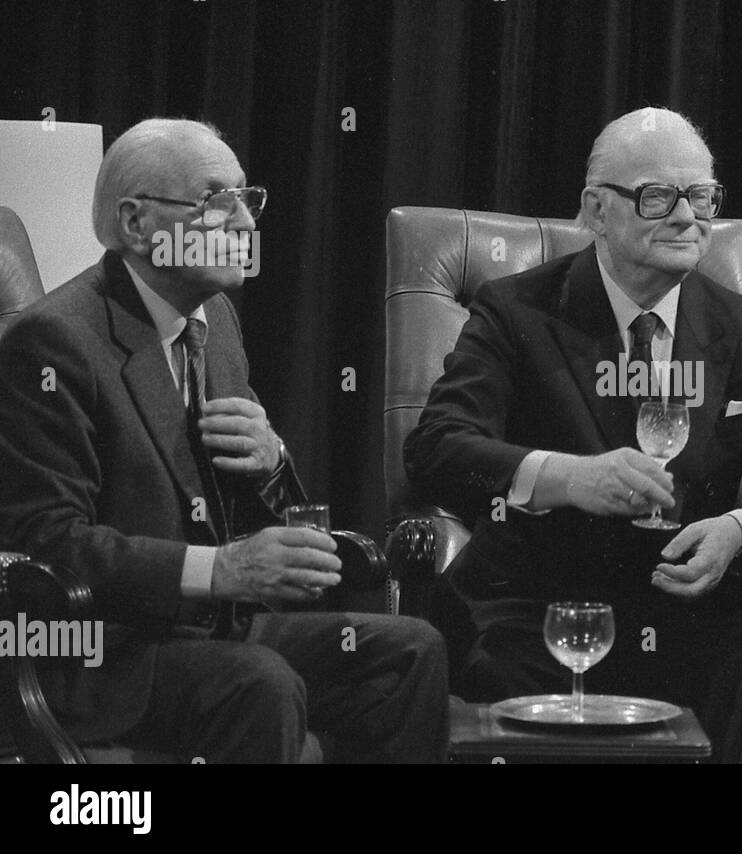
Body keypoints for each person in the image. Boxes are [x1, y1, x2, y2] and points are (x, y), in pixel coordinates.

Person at [404, 107, 742, 762]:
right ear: (595, 209)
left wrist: (740, 531)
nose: (686, 215)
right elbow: (436, 447)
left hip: (690, 610)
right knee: (509, 694)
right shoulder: (514, 310)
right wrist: (566, 477)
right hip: (537, 604)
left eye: (701, 196)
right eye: (657, 196)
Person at [0, 118, 447, 763]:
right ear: (136, 224)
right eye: (216, 201)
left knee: (410, 652)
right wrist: (225, 569)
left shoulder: (216, 324)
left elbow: (235, 502)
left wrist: (271, 461)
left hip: (212, 630)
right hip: (101, 652)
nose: (245, 223)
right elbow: (49, 543)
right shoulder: (54, 343)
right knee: (259, 683)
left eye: (248, 198)